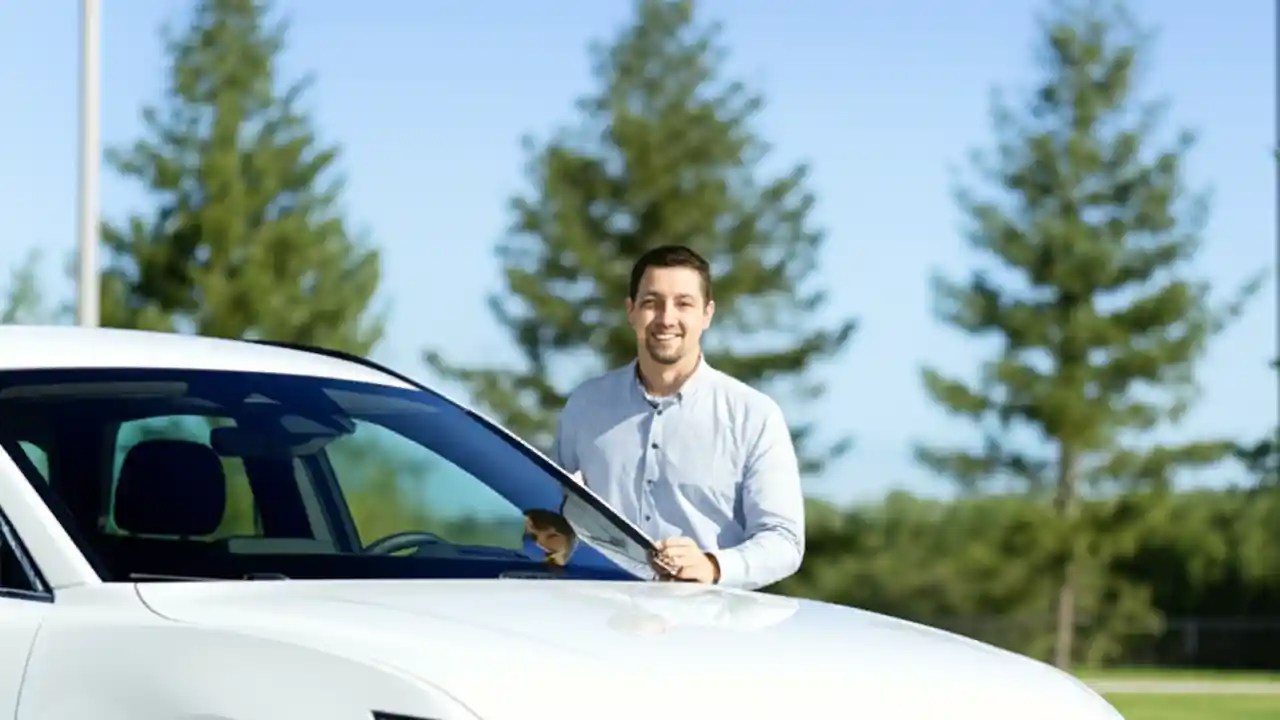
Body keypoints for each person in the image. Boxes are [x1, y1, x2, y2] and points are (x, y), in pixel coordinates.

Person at [551, 244, 805, 591]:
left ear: (707, 314)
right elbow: (552, 514)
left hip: (709, 632)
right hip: (602, 623)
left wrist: (713, 565)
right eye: (651, 302)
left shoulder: (754, 416)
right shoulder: (585, 405)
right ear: (631, 311)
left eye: (683, 303)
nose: (666, 318)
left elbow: (784, 541)